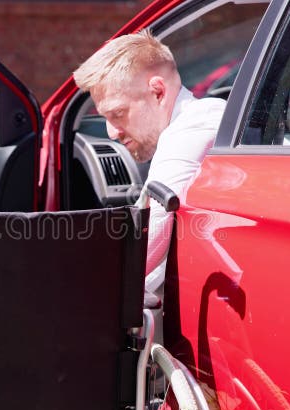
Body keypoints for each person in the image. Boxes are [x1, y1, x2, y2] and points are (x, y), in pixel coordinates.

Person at [73, 29, 225, 298]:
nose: (111, 132)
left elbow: (152, 234)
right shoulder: (199, 123)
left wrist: (81, 290)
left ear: (157, 92)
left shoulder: (194, 126)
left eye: (118, 113)